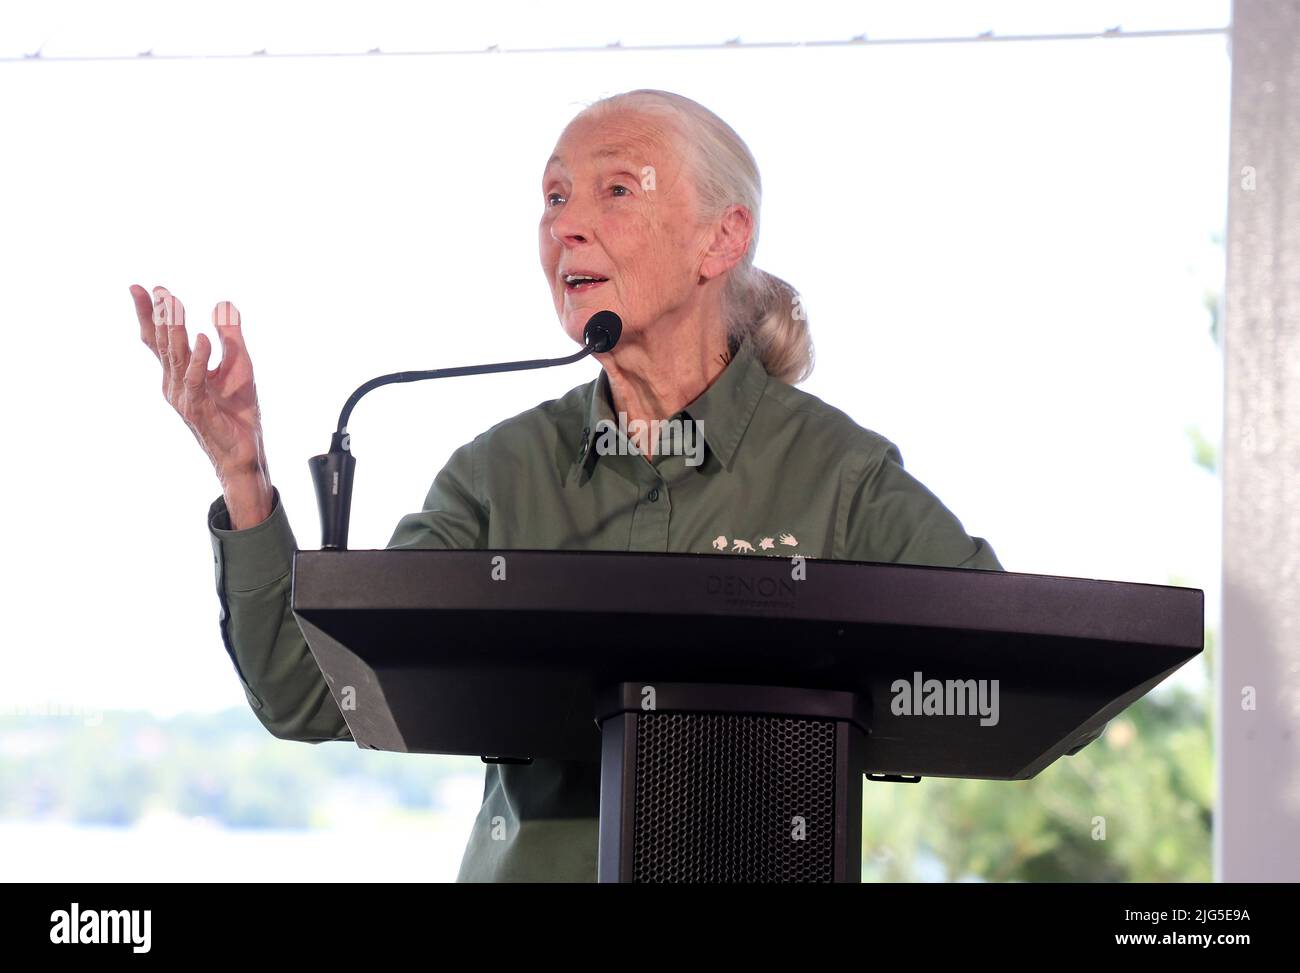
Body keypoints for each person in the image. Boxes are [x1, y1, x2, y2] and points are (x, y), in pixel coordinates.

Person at [131, 88, 1004, 882]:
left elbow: (999, 677)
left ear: (722, 237)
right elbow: (307, 689)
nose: (565, 227)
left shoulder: (840, 477)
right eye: (553, 198)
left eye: (616, 190)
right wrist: (242, 473)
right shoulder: (496, 476)